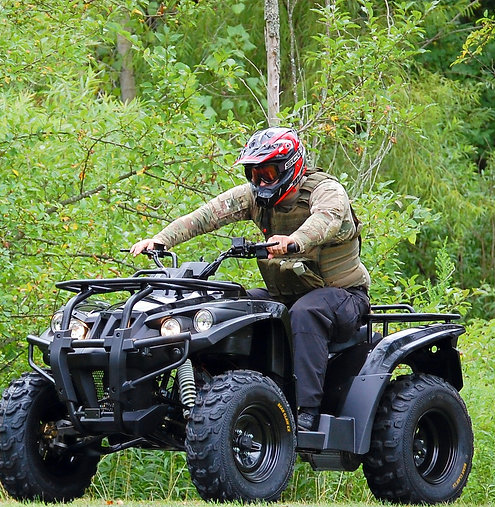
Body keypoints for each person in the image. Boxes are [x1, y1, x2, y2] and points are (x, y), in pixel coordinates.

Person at [130, 127, 371, 431]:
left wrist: (293, 241)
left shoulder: (326, 191)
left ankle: (306, 410)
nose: (260, 182)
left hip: (344, 297)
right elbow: (205, 216)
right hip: (285, 296)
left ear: (291, 167)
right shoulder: (254, 197)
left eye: (268, 173)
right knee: (230, 309)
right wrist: (161, 240)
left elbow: (326, 221)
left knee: (306, 312)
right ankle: (231, 396)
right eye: (253, 174)